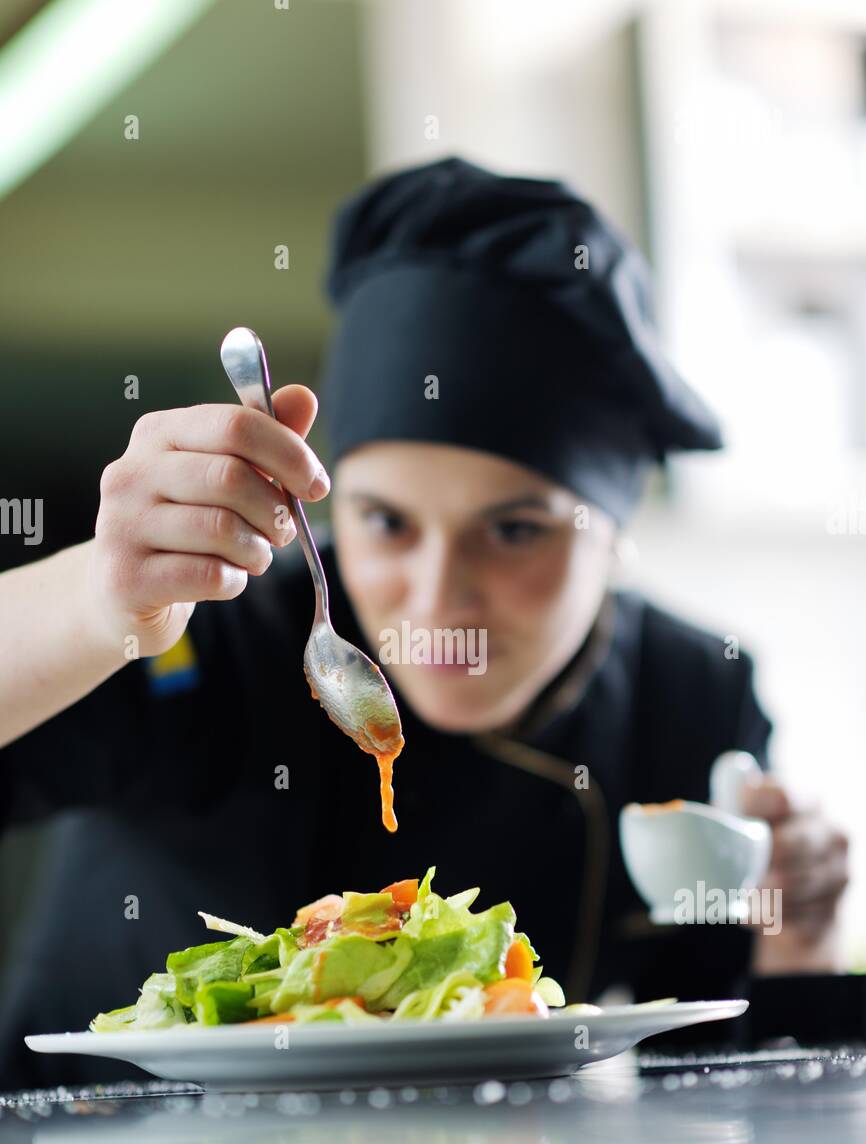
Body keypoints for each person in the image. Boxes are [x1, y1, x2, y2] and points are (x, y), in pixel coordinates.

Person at [0, 157, 850, 1088]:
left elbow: (725, 1104)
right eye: (386, 521)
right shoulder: (210, 628)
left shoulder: (692, 696)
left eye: (515, 529)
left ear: (613, 538)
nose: (440, 594)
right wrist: (95, 601)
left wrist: (794, 943)